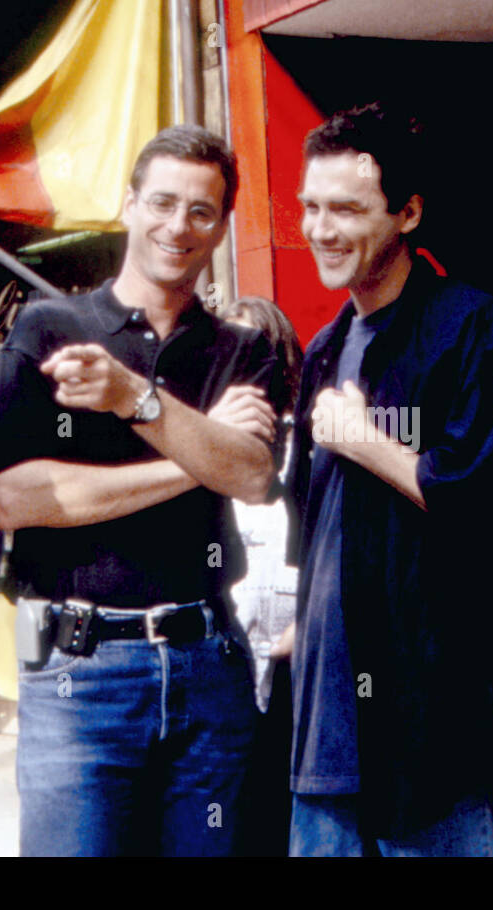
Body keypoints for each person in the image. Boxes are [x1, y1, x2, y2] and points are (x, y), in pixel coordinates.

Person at [285, 103, 493, 856]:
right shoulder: (323, 348)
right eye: (311, 207)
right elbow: (314, 534)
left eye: (347, 209)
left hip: (441, 742)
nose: (321, 229)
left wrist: (364, 440)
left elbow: (488, 506)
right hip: (326, 742)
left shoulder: (474, 328)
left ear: (408, 213)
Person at [0, 124, 282, 856]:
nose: (177, 226)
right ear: (128, 204)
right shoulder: (51, 330)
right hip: (79, 676)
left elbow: (252, 475)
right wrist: (196, 451)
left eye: (201, 211)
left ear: (221, 226)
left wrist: (132, 400)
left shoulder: (240, 348)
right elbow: (19, 500)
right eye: (162, 202)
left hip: (208, 665)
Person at [222, 295, 302, 856]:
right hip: (223, 665)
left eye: (258, 356)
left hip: (297, 668)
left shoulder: (313, 445)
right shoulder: (201, 443)